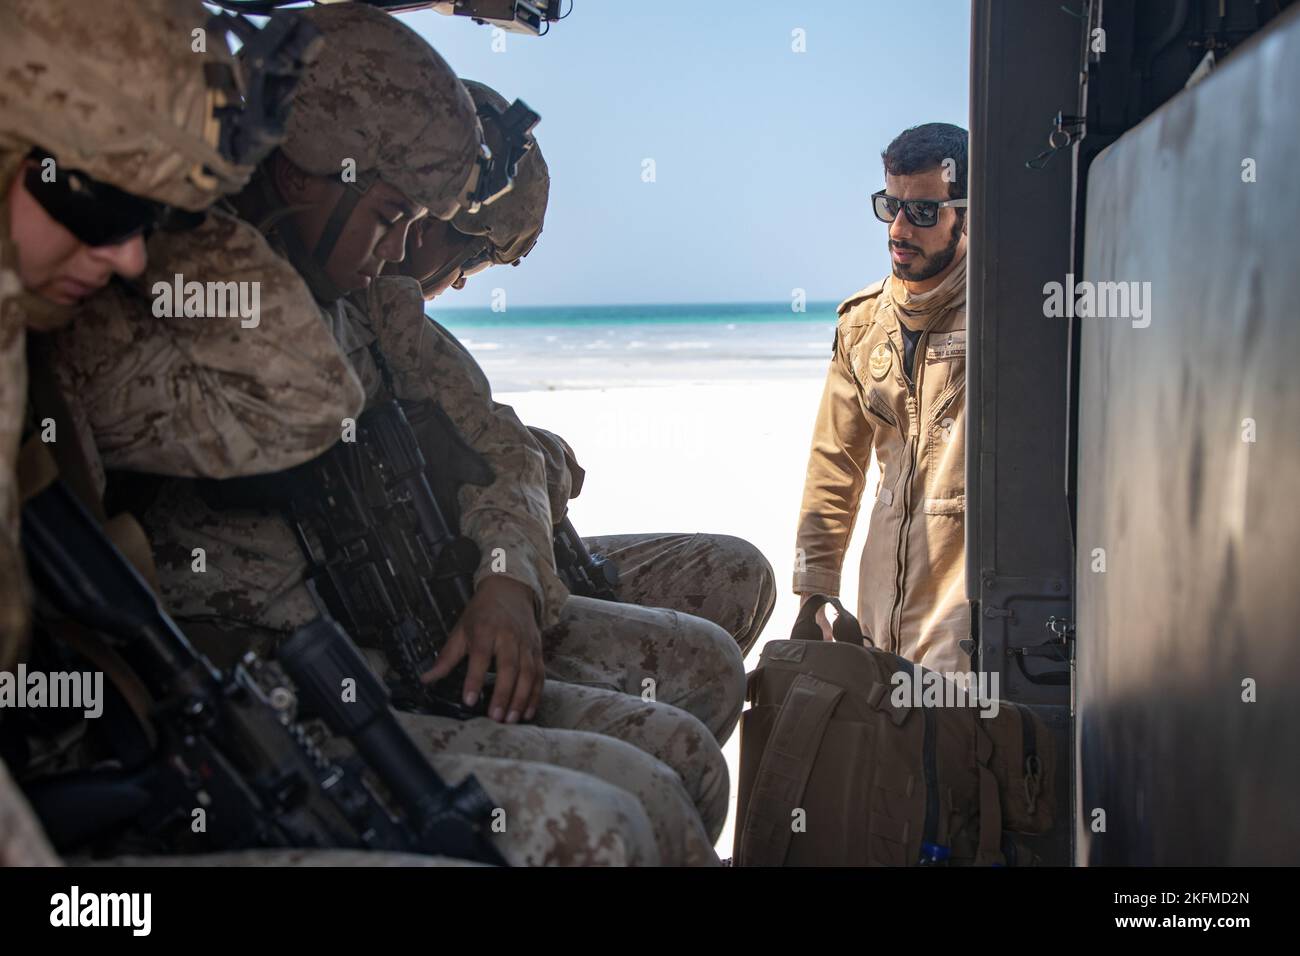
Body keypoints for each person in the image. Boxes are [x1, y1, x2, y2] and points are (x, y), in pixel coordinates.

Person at [95, 3, 726, 864]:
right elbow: (307, 397)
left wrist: (504, 578)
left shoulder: (363, 306)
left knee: (669, 769)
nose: (401, 256)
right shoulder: (157, 306)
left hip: (389, 661)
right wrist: (222, 208)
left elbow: (500, 452)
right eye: (391, 216)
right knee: (624, 819)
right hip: (272, 704)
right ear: (296, 178)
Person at [395, 80, 777, 658]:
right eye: (471, 261)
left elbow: (481, 444)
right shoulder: (378, 322)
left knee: (736, 574)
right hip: (434, 599)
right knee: (706, 661)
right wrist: (542, 461)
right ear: (429, 230)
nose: (464, 282)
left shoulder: (384, 321)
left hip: (468, 566)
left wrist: (536, 456)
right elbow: (495, 457)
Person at [793, 122, 970, 673]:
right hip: (877, 608)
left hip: (967, 615)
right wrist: (814, 589)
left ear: (969, 211)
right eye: (889, 205)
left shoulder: (1008, 318)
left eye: (921, 212)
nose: (898, 228)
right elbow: (835, 466)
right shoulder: (862, 324)